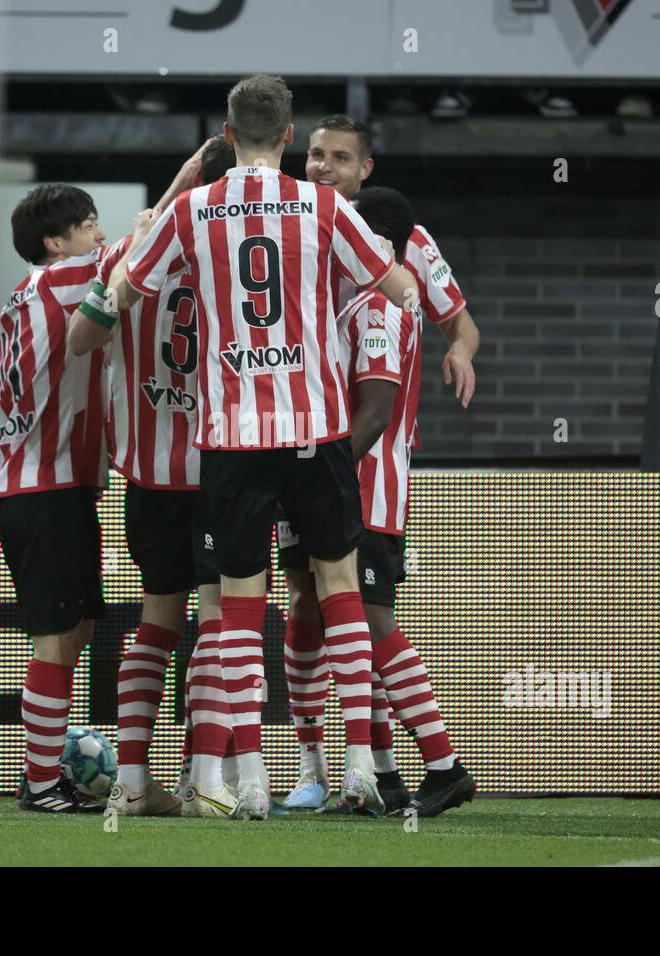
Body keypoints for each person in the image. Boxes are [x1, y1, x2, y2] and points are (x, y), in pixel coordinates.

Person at [94, 74, 418, 819]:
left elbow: (124, 291)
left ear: (229, 132)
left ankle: (249, 781)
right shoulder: (325, 205)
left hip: (233, 434)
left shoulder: (193, 211)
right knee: (339, 584)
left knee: (238, 603)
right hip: (314, 429)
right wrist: (402, 305)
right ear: (292, 135)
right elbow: (396, 283)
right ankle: (362, 763)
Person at [282, 115, 483, 809]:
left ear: (365, 169)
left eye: (339, 157)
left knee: (365, 616)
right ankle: (373, 771)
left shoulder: (391, 258)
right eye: (314, 154)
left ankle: (438, 763)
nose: (323, 167)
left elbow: (454, 323)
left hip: (357, 474)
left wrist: (459, 347)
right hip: (321, 461)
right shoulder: (294, 221)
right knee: (318, 610)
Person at [68, 136, 243, 818]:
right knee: (221, 622)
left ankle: (133, 780)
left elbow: (82, 338)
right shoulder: (246, 247)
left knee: (157, 622)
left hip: (147, 473)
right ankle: (204, 780)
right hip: (223, 467)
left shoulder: (134, 250)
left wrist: (169, 194)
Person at [0, 184, 112, 813]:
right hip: (45, 487)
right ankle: (39, 783)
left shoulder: (17, 300)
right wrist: (190, 177)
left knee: (79, 626)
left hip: (46, 484)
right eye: (89, 225)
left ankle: (46, 769)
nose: (100, 234)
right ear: (54, 243)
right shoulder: (59, 283)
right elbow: (132, 253)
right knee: (56, 637)